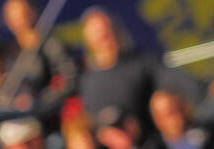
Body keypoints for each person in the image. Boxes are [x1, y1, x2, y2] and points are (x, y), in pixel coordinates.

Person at [77, 7, 198, 135]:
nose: (106, 37)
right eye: (98, 34)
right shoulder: (86, 80)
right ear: (88, 40)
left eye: (108, 30)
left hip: (151, 148)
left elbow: (175, 88)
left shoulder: (143, 62)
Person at [1, 0, 77, 106]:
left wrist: (37, 102)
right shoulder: (12, 54)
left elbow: (69, 79)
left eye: (22, 15)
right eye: (13, 18)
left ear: (32, 13)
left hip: (51, 113)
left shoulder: (52, 44)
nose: (19, 22)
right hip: (22, 118)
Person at [149, 89, 213, 149]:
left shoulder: (209, 135)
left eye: (179, 109)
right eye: (170, 113)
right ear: (158, 120)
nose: (179, 116)